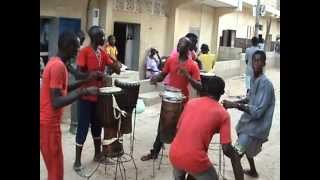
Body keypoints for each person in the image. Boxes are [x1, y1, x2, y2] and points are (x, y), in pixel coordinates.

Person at [40, 31, 100, 180]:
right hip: (49, 125)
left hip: (47, 124)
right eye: (76, 47)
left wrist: (86, 79)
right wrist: (84, 91)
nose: (77, 51)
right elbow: (56, 102)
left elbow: (64, 88)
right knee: (56, 172)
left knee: (54, 169)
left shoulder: (56, 62)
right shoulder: (58, 66)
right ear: (68, 46)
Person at [169, 76, 244, 180]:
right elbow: (226, 148)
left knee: (189, 171)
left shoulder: (191, 103)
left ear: (206, 88)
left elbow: (178, 129)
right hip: (194, 159)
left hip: (175, 153)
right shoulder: (223, 114)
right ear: (222, 92)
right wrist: (235, 157)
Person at [140, 37, 202, 161]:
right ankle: (154, 152)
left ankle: (182, 156)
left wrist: (188, 76)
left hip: (183, 101)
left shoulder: (193, 65)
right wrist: (155, 78)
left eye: (182, 44)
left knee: (182, 129)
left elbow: (199, 85)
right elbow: (163, 74)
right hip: (169, 99)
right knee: (163, 126)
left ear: (188, 48)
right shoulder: (171, 59)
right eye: (178, 43)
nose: (179, 45)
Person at [73, 26, 121, 174]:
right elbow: (78, 75)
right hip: (85, 96)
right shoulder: (84, 52)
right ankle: (77, 161)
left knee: (97, 125)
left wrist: (115, 65)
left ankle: (97, 154)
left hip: (98, 96)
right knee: (82, 127)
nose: (104, 38)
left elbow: (116, 67)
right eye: (102, 36)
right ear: (95, 38)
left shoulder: (102, 52)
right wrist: (92, 75)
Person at [222, 50, 275, 178]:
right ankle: (253, 171)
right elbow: (249, 98)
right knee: (246, 147)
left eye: (259, 60)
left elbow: (257, 112)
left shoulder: (266, 84)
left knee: (236, 154)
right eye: (254, 60)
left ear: (264, 63)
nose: (256, 63)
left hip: (256, 127)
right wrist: (233, 102)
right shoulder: (253, 79)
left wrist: (234, 105)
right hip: (248, 123)